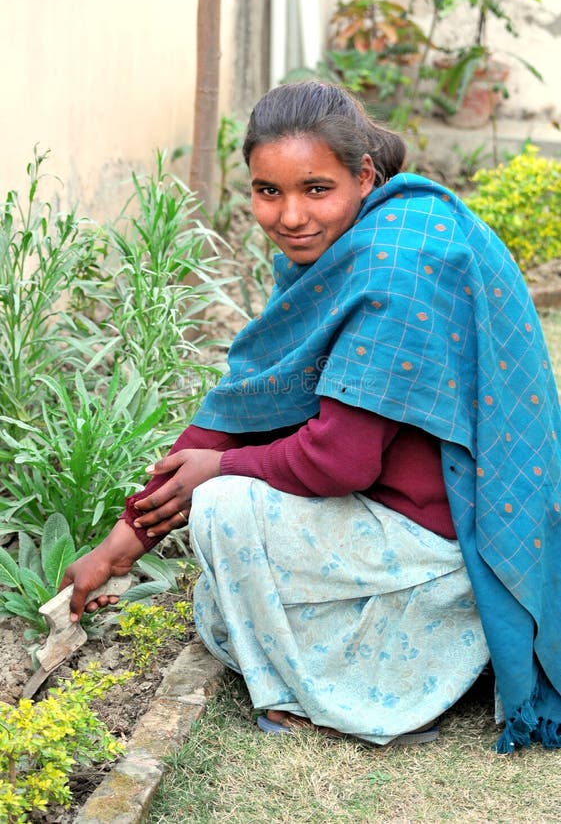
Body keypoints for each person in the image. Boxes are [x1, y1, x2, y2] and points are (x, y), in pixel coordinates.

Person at [61, 81, 561, 752]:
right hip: (406, 516)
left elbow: (338, 460)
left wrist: (221, 469)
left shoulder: (397, 266)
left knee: (224, 510)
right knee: (219, 607)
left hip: (457, 545)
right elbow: (244, 404)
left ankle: (349, 695)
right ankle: (398, 650)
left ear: (363, 175)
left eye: (315, 189)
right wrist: (117, 548)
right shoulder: (365, 239)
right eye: (268, 191)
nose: (291, 215)